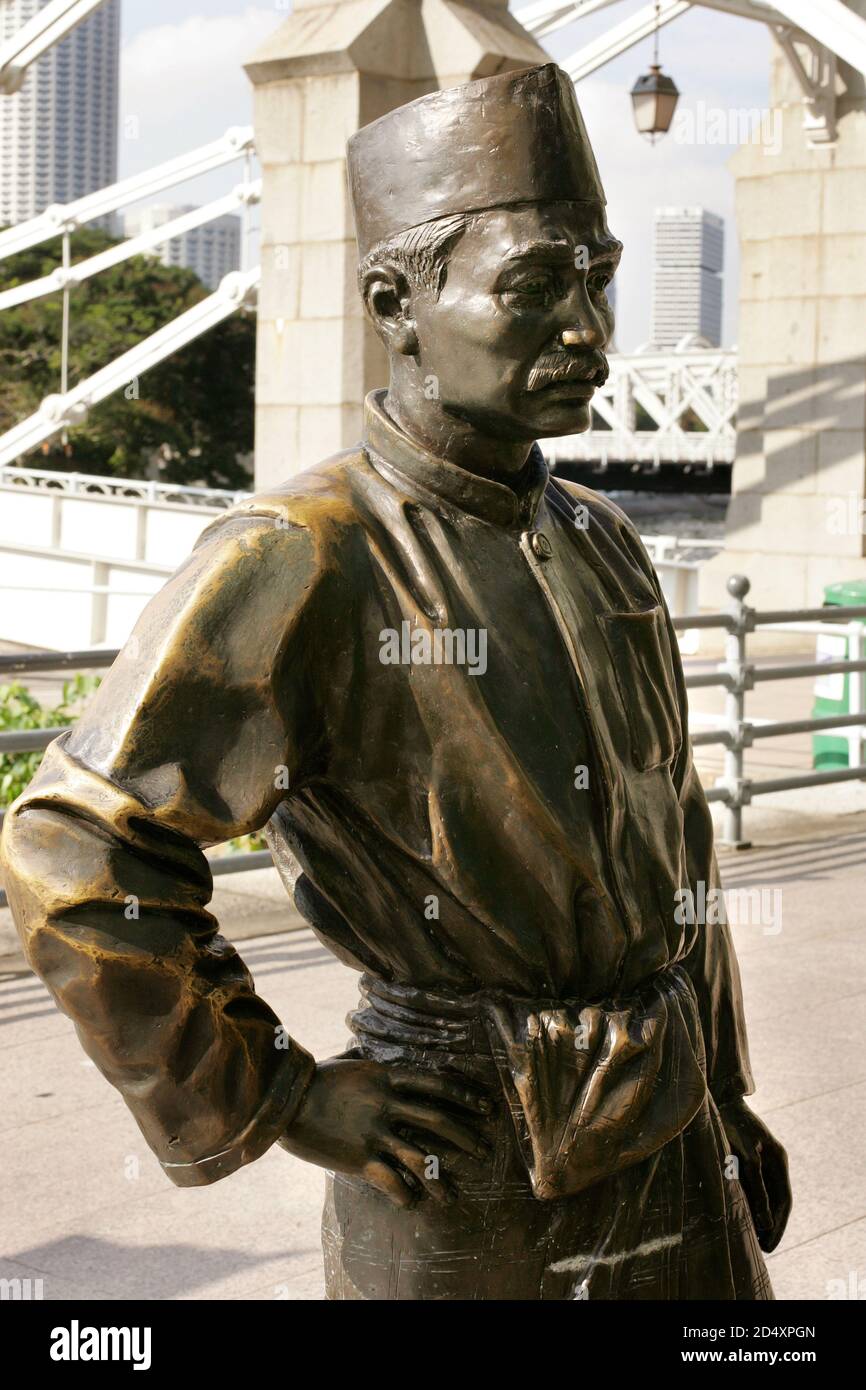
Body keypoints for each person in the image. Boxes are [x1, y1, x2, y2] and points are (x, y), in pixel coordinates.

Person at [0, 63, 790, 1300]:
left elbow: (674, 832)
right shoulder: (304, 554)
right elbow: (75, 847)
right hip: (460, 1157)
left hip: (673, 1134)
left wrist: (725, 1091)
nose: (589, 329)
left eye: (597, 277)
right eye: (534, 286)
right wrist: (278, 1092)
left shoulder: (600, 537)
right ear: (394, 304)